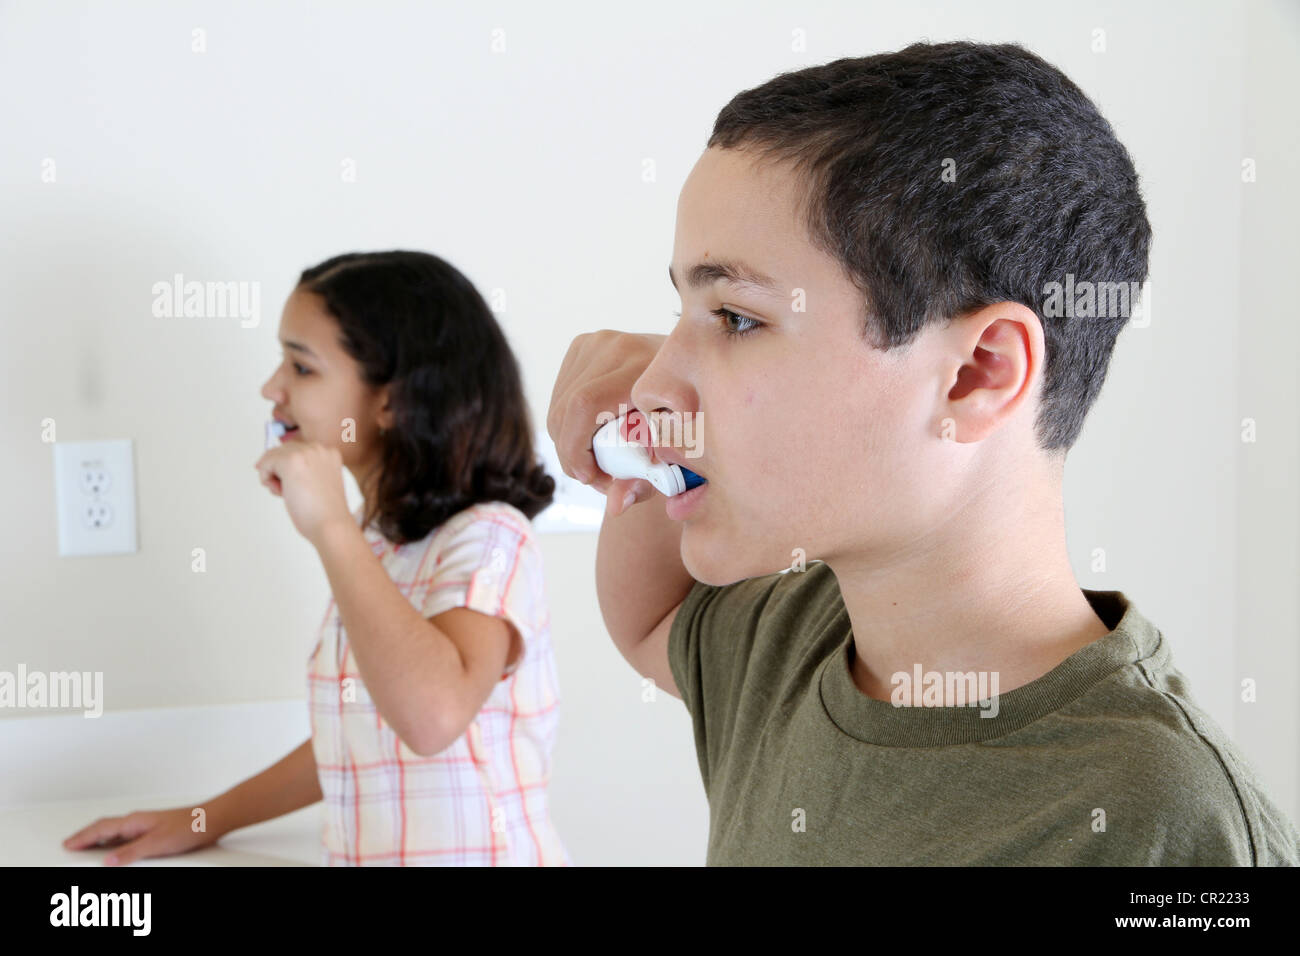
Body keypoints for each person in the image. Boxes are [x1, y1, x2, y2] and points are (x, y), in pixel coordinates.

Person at [548, 40, 1300, 865]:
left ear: (978, 375)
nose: (656, 378)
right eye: (683, 311)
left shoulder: (1164, 827)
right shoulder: (791, 638)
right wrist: (662, 416)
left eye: (736, 317)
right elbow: (652, 616)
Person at [65, 250, 570, 866]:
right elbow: (360, 735)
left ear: (390, 402)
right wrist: (205, 819)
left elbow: (432, 715)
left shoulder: (491, 538)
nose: (270, 388)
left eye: (302, 368)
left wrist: (330, 526)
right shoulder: (379, 542)